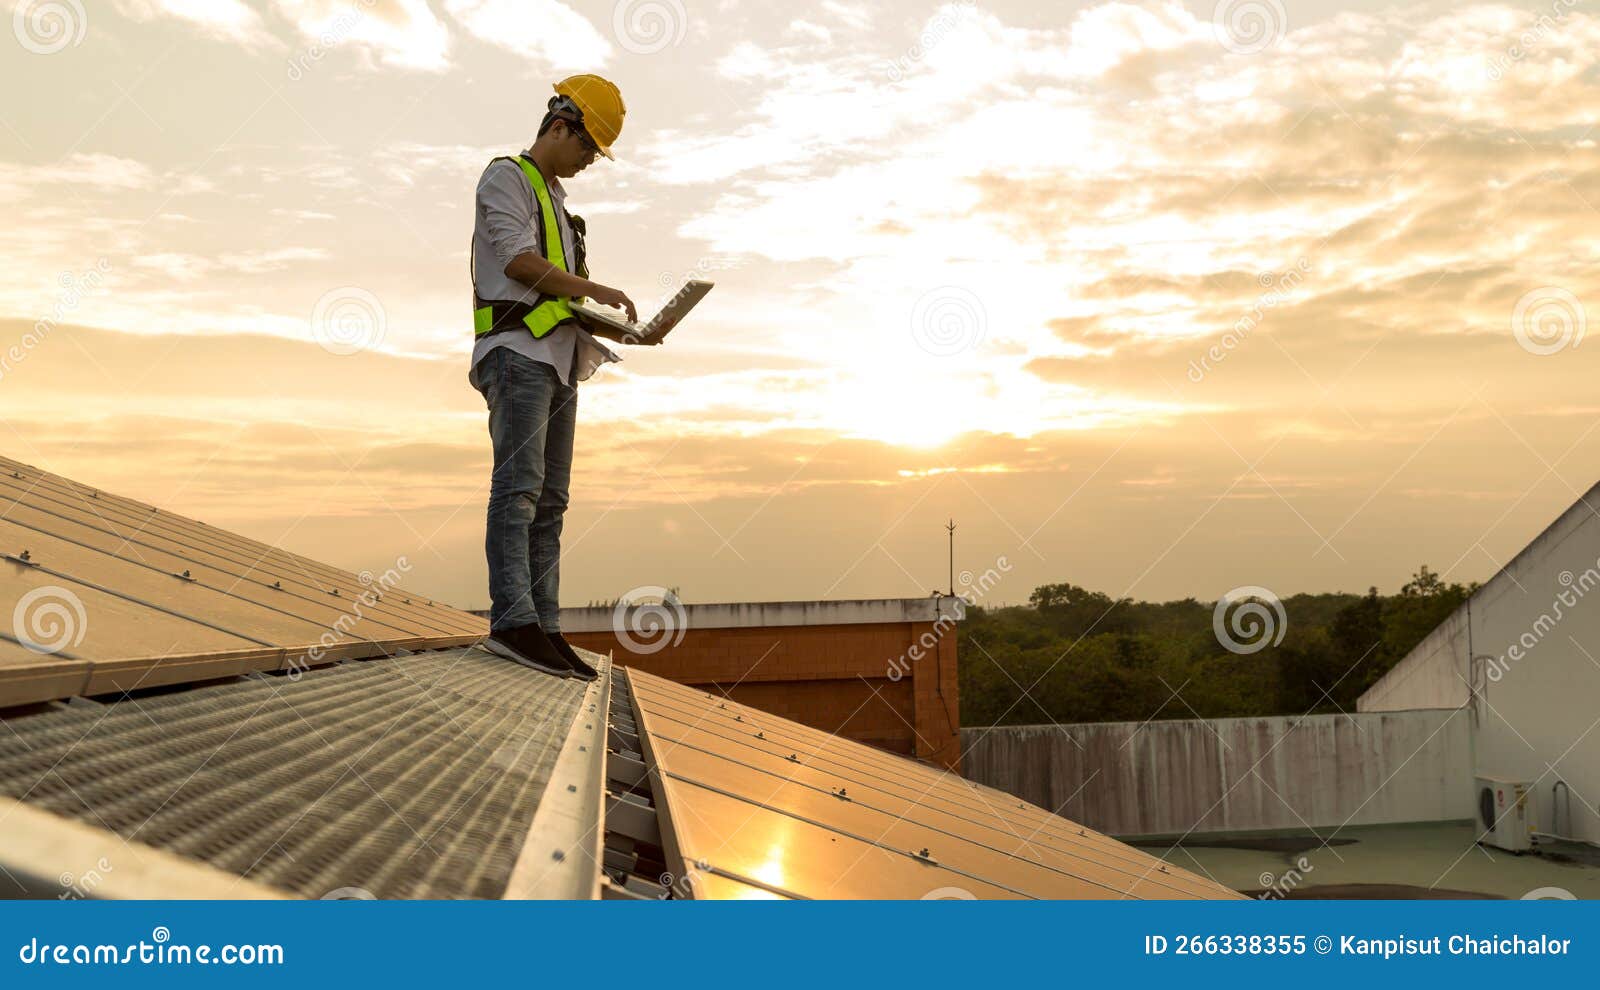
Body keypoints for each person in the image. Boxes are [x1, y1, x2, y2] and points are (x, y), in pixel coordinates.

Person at [468, 74, 639, 680]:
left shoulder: (560, 206)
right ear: (560, 126)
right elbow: (518, 263)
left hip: (558, 360)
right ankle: (512, 623)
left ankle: (543, 625)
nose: (590, 160)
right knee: (519, 488)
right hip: (517, 354)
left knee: (550, 501)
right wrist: (597, 288)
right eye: (588, 147)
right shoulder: (507, 178)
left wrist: (618, 326)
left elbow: (559, 299)